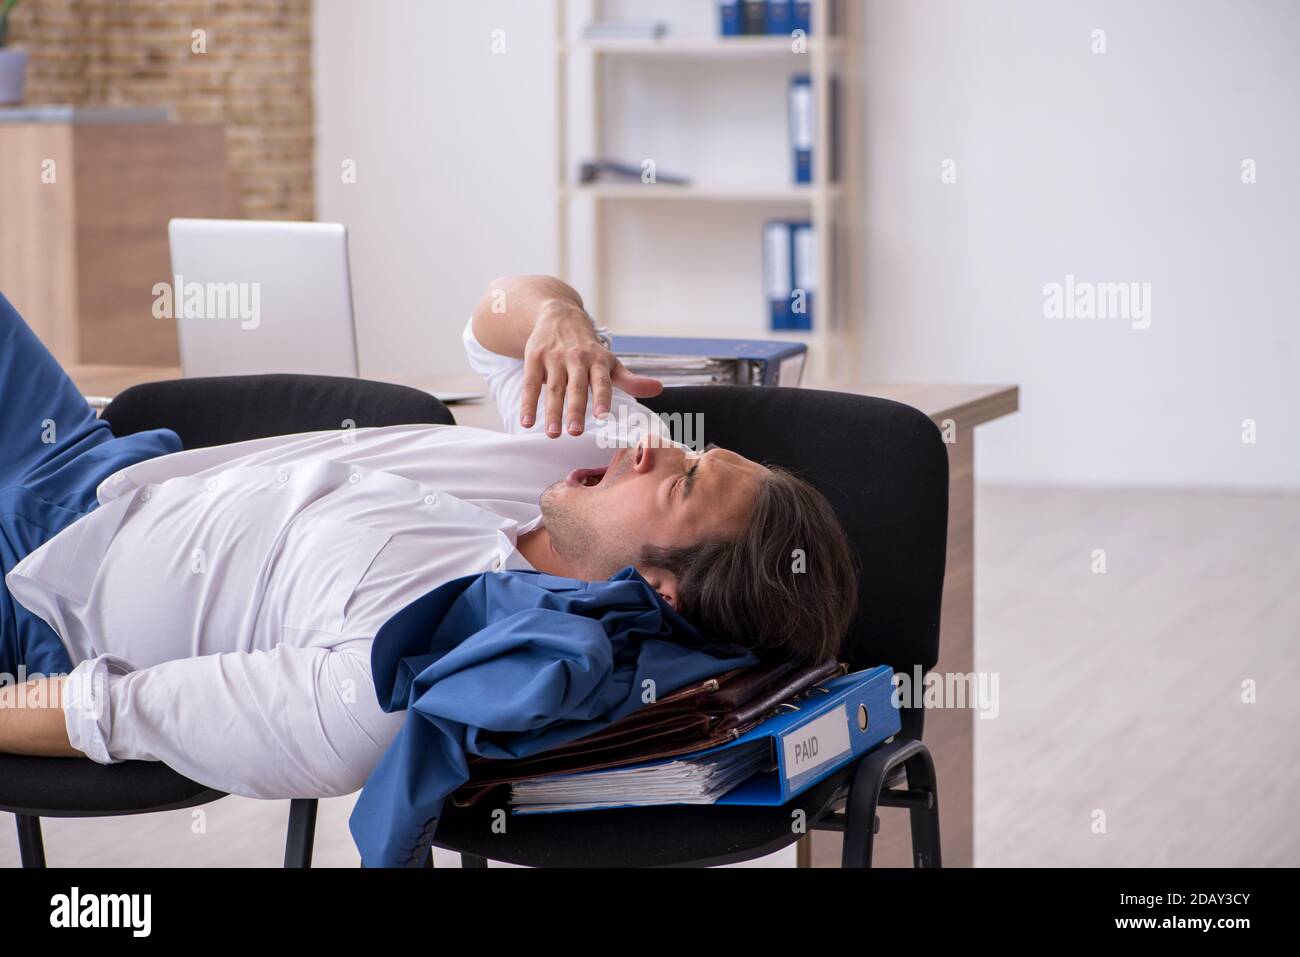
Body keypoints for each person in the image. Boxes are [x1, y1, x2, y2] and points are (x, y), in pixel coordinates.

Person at [0, 275, 857, 798]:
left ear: (658, 591)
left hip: (37, 617)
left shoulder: (398, 675)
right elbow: (491, 319)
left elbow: (103, 710)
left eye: (681, 480)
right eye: (690, 451)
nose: (650, 445)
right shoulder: (594, 461)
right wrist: (560, 316)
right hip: (86, 469)